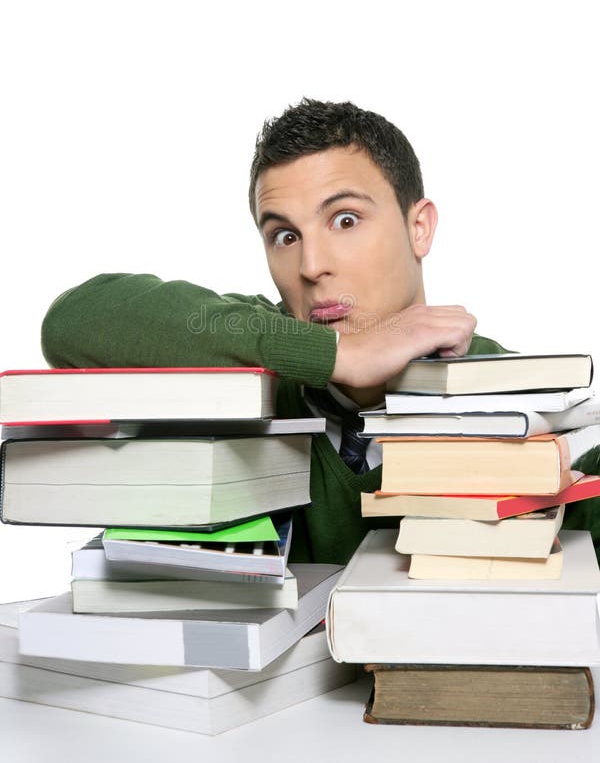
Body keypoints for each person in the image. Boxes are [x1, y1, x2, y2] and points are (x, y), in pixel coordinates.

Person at [41, 99, 598, 562]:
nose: (311, 266)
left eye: (346, 220)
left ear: (419, 228)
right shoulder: (259, 348)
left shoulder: (536, 416)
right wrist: (333, 353)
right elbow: (75, 321)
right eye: (284, 235)